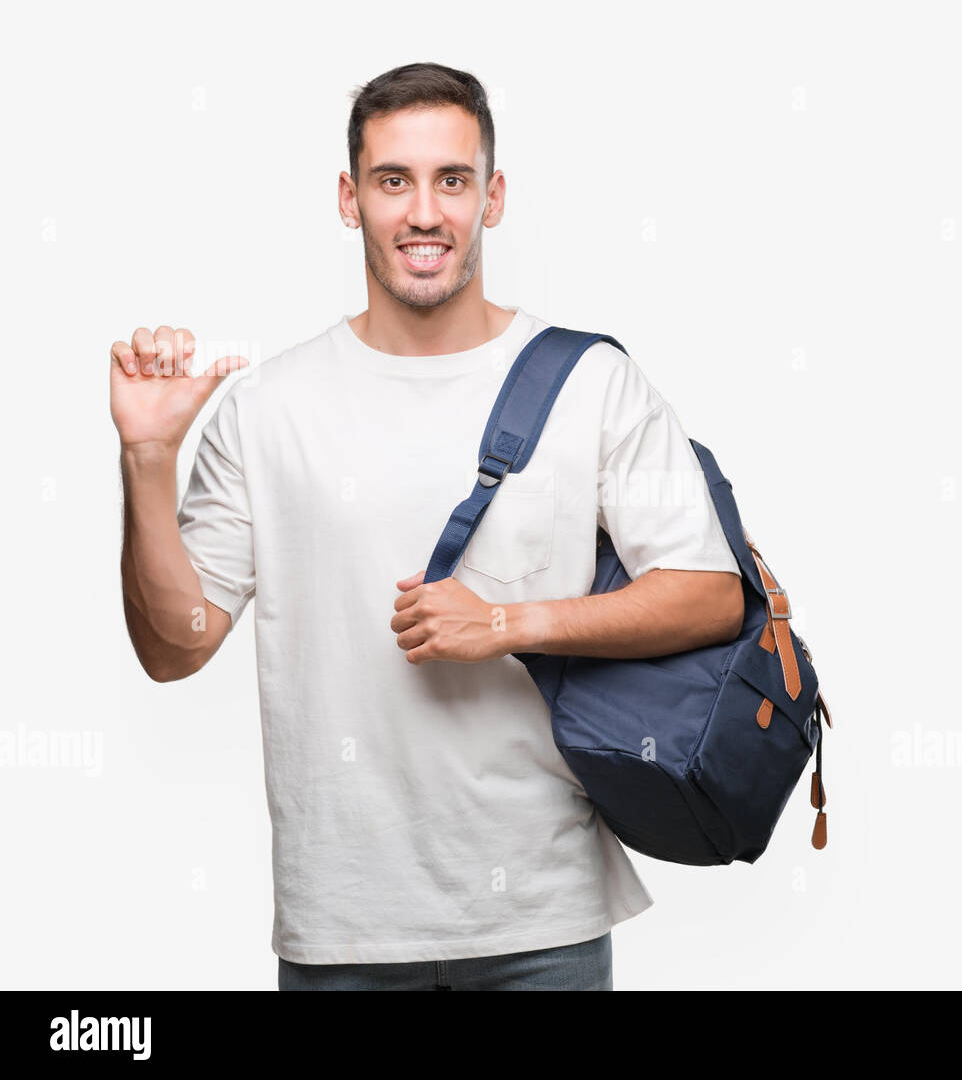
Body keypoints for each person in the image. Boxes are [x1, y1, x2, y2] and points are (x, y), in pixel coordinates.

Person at [111, 62, 744, 991]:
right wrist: (147, 458)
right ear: (349, 199)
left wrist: (508, 622)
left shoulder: (590, 383)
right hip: (342, 929)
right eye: (392, 180)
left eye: (452, 179)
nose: (423, 212)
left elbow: (710, 594)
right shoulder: (268, 406)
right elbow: (175, 647)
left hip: (543, 918)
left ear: (493, 196)